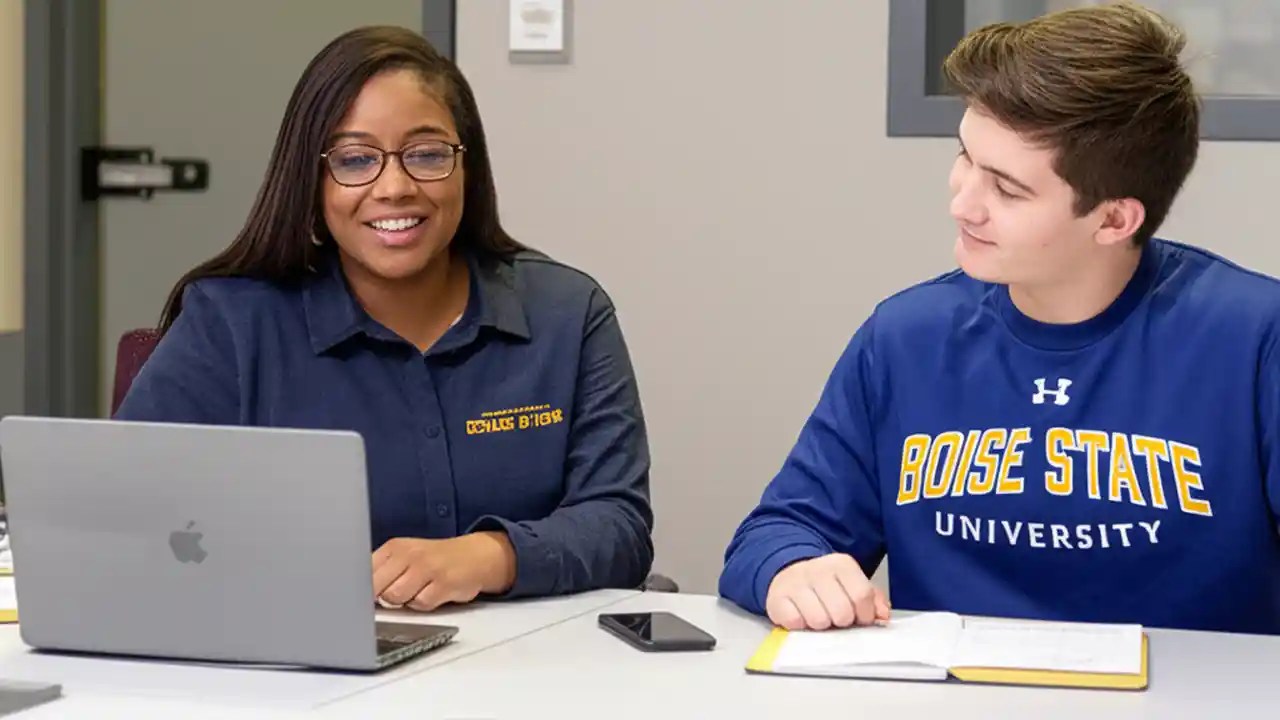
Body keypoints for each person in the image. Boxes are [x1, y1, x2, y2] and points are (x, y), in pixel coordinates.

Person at [720, 2, 1280, 635]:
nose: (963, 203)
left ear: (1114, 219)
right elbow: (778, 531)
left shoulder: (1255, 338)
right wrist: (793, 567)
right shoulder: (907, 338)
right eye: (965, 158)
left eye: (1007, 189)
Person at [116, 26, 653, 611]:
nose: (394, 187)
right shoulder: (230, 321)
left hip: (525, 671)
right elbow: (123, 514)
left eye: (426, 154)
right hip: (295, 667)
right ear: (312, 180)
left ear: (466, 167)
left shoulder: (568, 313)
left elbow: (620, 525)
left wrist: (490, 555)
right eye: (354, 159)